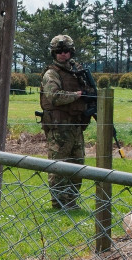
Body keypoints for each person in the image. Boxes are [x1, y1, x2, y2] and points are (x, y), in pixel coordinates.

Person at [39, 34, 95, 210]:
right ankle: (59, 202)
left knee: (77, 166)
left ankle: (71, 201)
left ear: (72, 52)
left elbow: (90, 93)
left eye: (66, 51)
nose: (63, 54)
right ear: (54, 54)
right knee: (58, 166)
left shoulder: (78, 73)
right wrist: (77, 95)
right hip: (59, 127)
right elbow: (54, 97)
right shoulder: (51, 74)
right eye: (59, 51)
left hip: (76, 126)